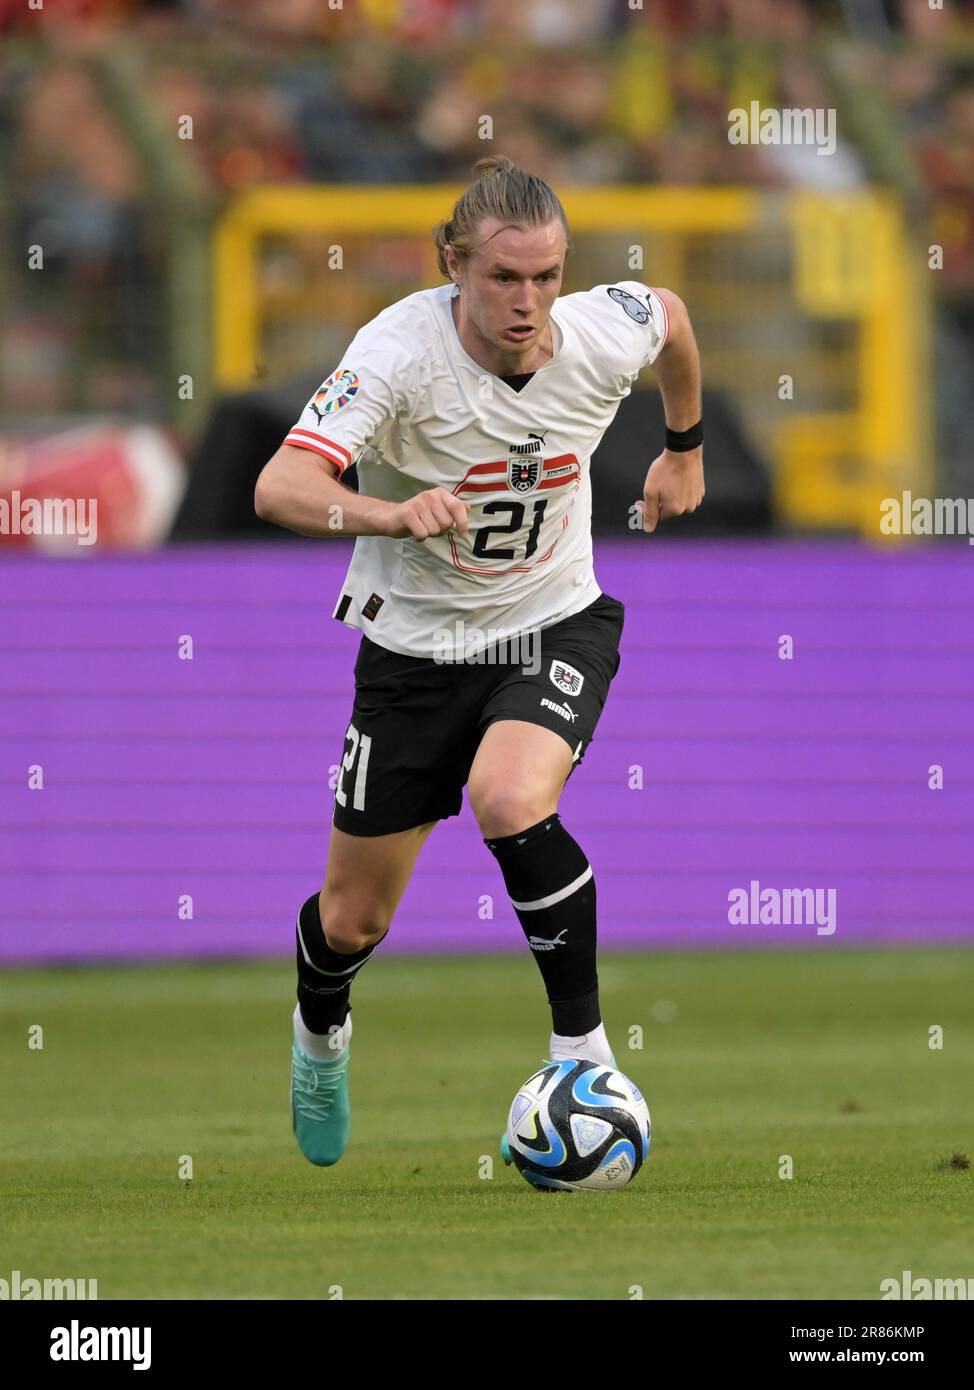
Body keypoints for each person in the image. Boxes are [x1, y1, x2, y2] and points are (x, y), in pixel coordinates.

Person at [254, 155, 704, 1168]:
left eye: (546, 275)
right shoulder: (395, 355)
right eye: (503, 277)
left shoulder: (594, 332)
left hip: (553, 619)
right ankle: (319, 1036)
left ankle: (582, 1055)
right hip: (414, 651)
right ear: (451, 264)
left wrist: (684, 445)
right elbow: (279, 487)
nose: (528, 300)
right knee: (350, 917)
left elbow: (669, 315)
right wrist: (386, 511)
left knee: (510, 798)